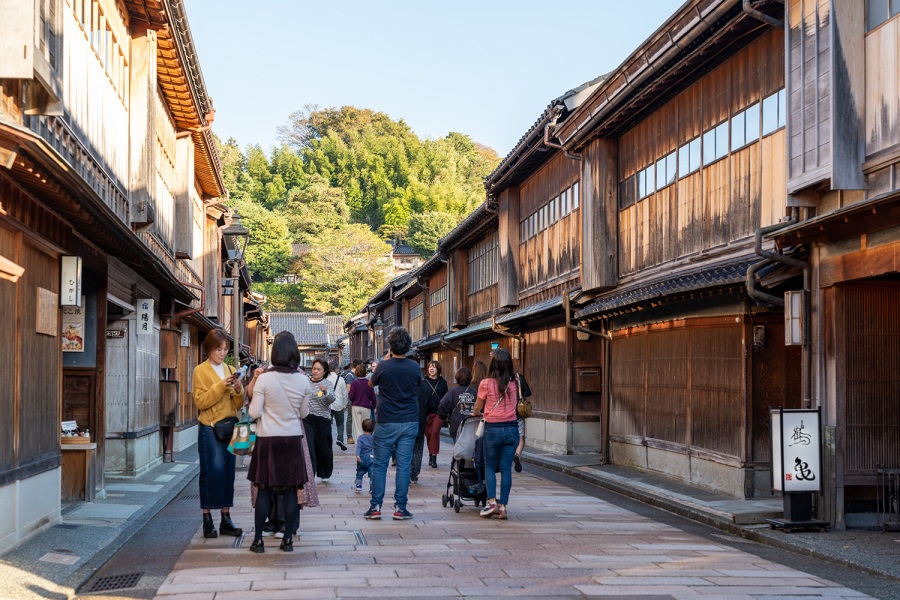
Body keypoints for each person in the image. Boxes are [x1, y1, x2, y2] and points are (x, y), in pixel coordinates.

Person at [246, 331, 311, 553]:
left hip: (267, 440)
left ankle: (258, 541)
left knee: (264, 490)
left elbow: (254, 412)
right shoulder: (303, 380)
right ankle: (288, 541)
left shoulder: (264, 379)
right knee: (291, 491)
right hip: (292, 439)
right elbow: (303, 414)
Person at [365, 327, 422, 520]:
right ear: (408, 346)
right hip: (409, 420)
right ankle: (400, 507)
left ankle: (375, 507)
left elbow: (371, 384)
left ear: (390, 346)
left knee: (380, 465)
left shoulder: (383, 366)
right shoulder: (414, 367)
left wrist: (386, 362)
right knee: (404, 465)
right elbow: (418, 385)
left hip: (386, 420)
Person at [193, 329, 244, 539]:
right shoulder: (200, 371)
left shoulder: (230, 368)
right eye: (218, 349)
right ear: (209, 349)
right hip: (210, 426)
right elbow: (201, 402)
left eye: (225, 349)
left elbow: (238, 404)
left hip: (230, 426)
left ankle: (226, 517)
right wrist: (221, 386)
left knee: (228, 471)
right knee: (211, 470)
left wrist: (239, 388)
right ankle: (207, 517)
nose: (222, 353)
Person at [473, 348, 519, 520]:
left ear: (493, 364)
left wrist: (477, 411)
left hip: (493, 429)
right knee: (506, 469)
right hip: (512, 429)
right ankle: (503, 507)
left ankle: (491, 503)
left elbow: (478, 406)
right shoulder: (515, 383)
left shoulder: (486, 383)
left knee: (490, 466)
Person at [412, 361, 448, 482]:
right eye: (430, 367)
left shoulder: (443, 382)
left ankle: (433, 456)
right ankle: (431, 454)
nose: (431, 369)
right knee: (428, 434)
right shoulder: (424, 383)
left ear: (438, 369)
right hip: (427, 413)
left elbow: (446, 397)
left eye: (434, 367)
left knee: (434, 433)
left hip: (438, 412)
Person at [303, 357, 337, 482]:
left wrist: (325, 392)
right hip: (307, 418)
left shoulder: (327, 384)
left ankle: (325, 473)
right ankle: (310, 473)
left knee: (323, 447)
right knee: (309, 446)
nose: (315, 371)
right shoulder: (305, 382)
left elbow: (331, 399)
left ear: (324, 371)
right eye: (314, 369)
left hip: (323, 419)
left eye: (318, 369)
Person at [437, 367, 477, 441]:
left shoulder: (453, 392)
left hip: (456, 426)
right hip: (473, 427)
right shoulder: (475, 392)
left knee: (459, 450)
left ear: (457, 378)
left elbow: (442, 406)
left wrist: (446, 418)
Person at [348, 363, 376, 441]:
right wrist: (374, 406)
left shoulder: (354, 383)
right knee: (366, 426)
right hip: (366, 407)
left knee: (357, 427)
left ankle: (359, 443)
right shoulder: (369, 383)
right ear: (365, 372)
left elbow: (351, 396)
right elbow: (373, 397)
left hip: (356, 406)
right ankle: (365, 443)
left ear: (356, 372)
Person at [327, 359, 349, 451]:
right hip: (338, 404)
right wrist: (345, 405)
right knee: (340, 423)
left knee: (328, 424)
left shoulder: (325, 378)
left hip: (328, 405)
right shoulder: (340, 380)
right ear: (336, 369)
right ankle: (340, 439)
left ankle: (327, 440)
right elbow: (344, 394)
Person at [354, 418, 376, 492]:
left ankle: (358, 485)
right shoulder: (374, 438)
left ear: (362, 428)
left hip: (362, 458)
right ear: (373, 429)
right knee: (372, 473)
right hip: (371, 458)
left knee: (359, 472)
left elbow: (358, 447)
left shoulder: (360, 438)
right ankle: (372, 488)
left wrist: (357, 455)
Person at [344, 359, 362, 443]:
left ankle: (357, 435)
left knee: (357, 418)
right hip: (352, 399)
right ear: (357, 366)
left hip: (358, 399)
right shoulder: (350, 375)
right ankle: (349, 436)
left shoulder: (357, 374)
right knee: (350, 417)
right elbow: (349, 388)